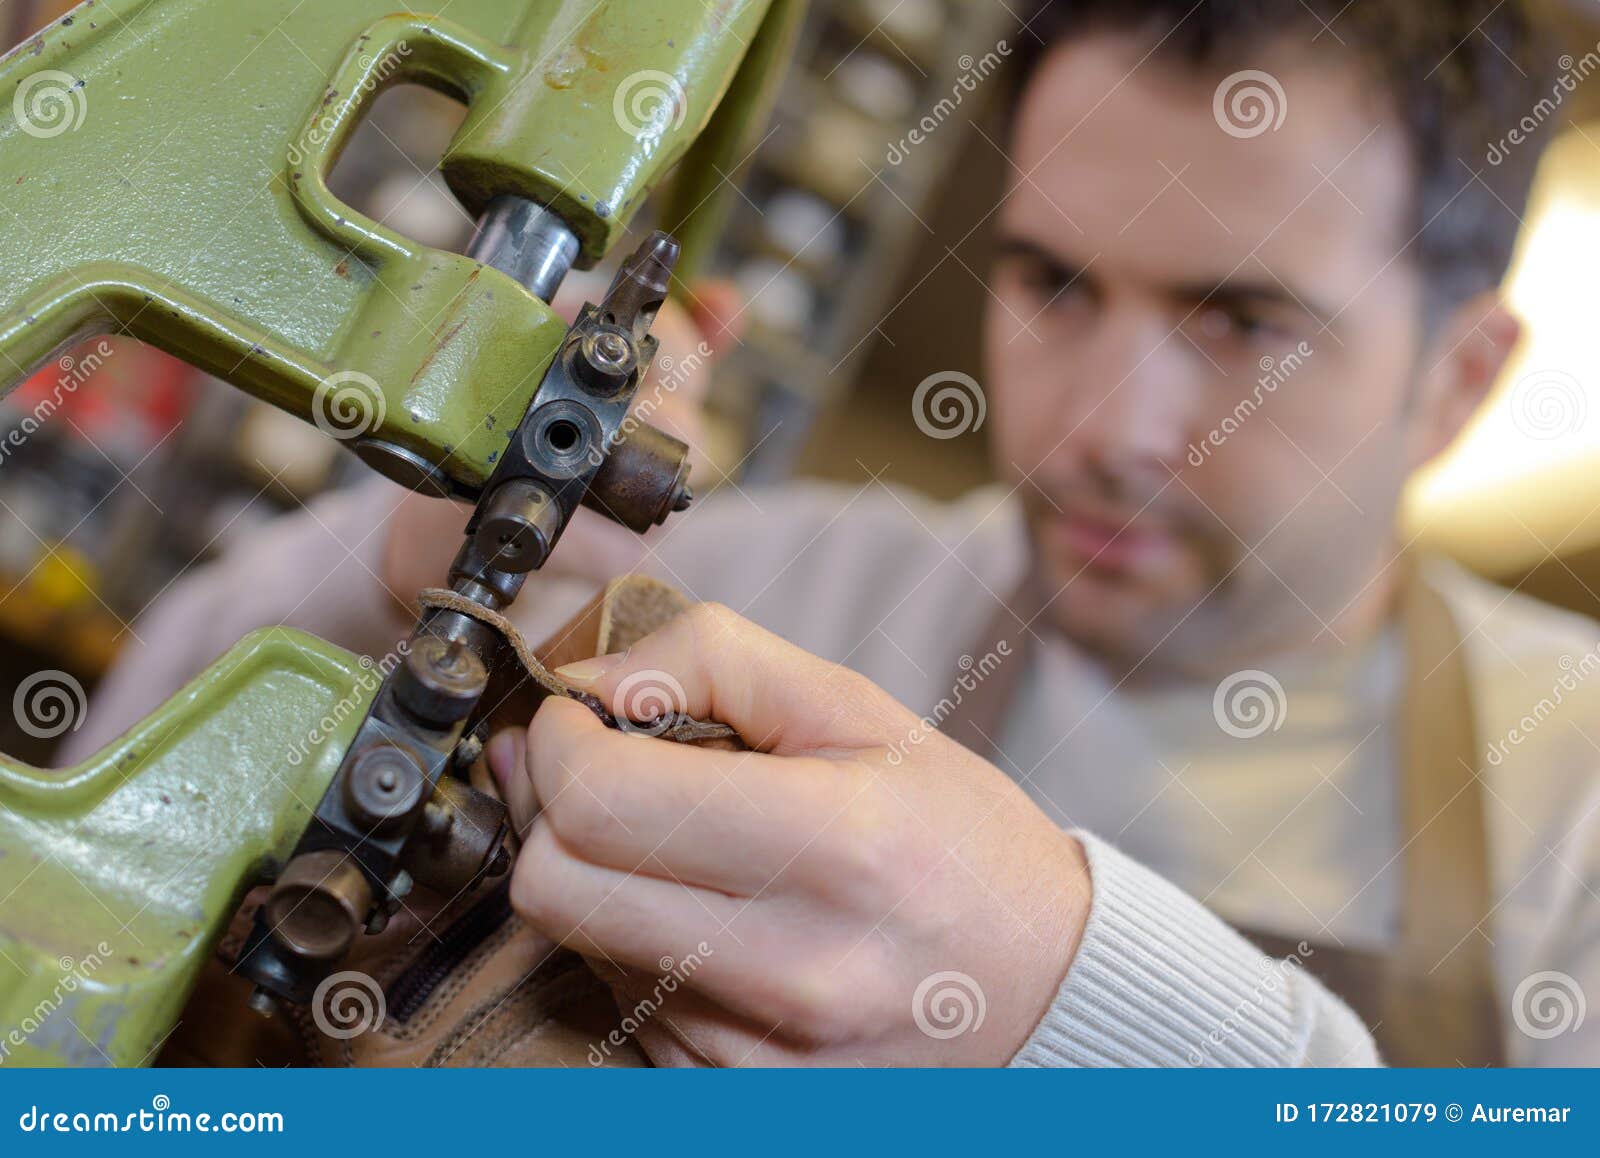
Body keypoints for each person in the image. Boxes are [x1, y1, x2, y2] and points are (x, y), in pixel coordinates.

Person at [68, 1, 1598, 1066]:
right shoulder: (773, 587)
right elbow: (127, 762)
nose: (1111, 427)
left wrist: (1070, 1009)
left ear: (1459, 378)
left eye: (1243, 321)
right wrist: (409, 581)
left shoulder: (1573, 802)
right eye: (1056, 286)